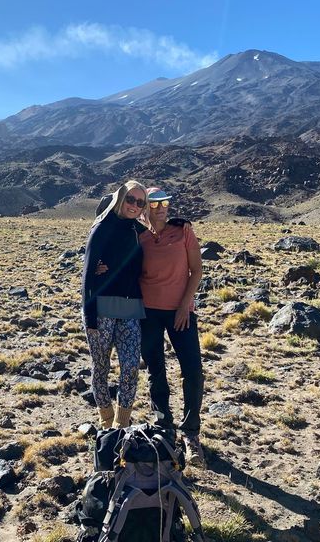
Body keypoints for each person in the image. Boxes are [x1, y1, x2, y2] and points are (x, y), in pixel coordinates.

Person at [139, 187, 205, 467]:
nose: (162, 207)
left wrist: (184, 306)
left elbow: (197, 270)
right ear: (144, 208)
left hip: (181, 313)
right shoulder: (137, 235)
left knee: (192, 371)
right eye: (154, 204)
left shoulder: (183, 230)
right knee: (156, 370)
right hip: (148, 313)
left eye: (165, 201)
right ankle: (164, 425)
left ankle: (191, 434)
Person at [81, 180, 147, 429]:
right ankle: (106, 420)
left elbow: (159, 239)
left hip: (130, 308)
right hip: (102, 308)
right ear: (121, 198)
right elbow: (88, 274)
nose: (134, 205)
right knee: (101, 366)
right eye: (130, 199)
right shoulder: (101, 228)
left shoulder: (137, 231)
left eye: (140, 202)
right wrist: (90, 317)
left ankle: (123, 422)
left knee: (130, 366)